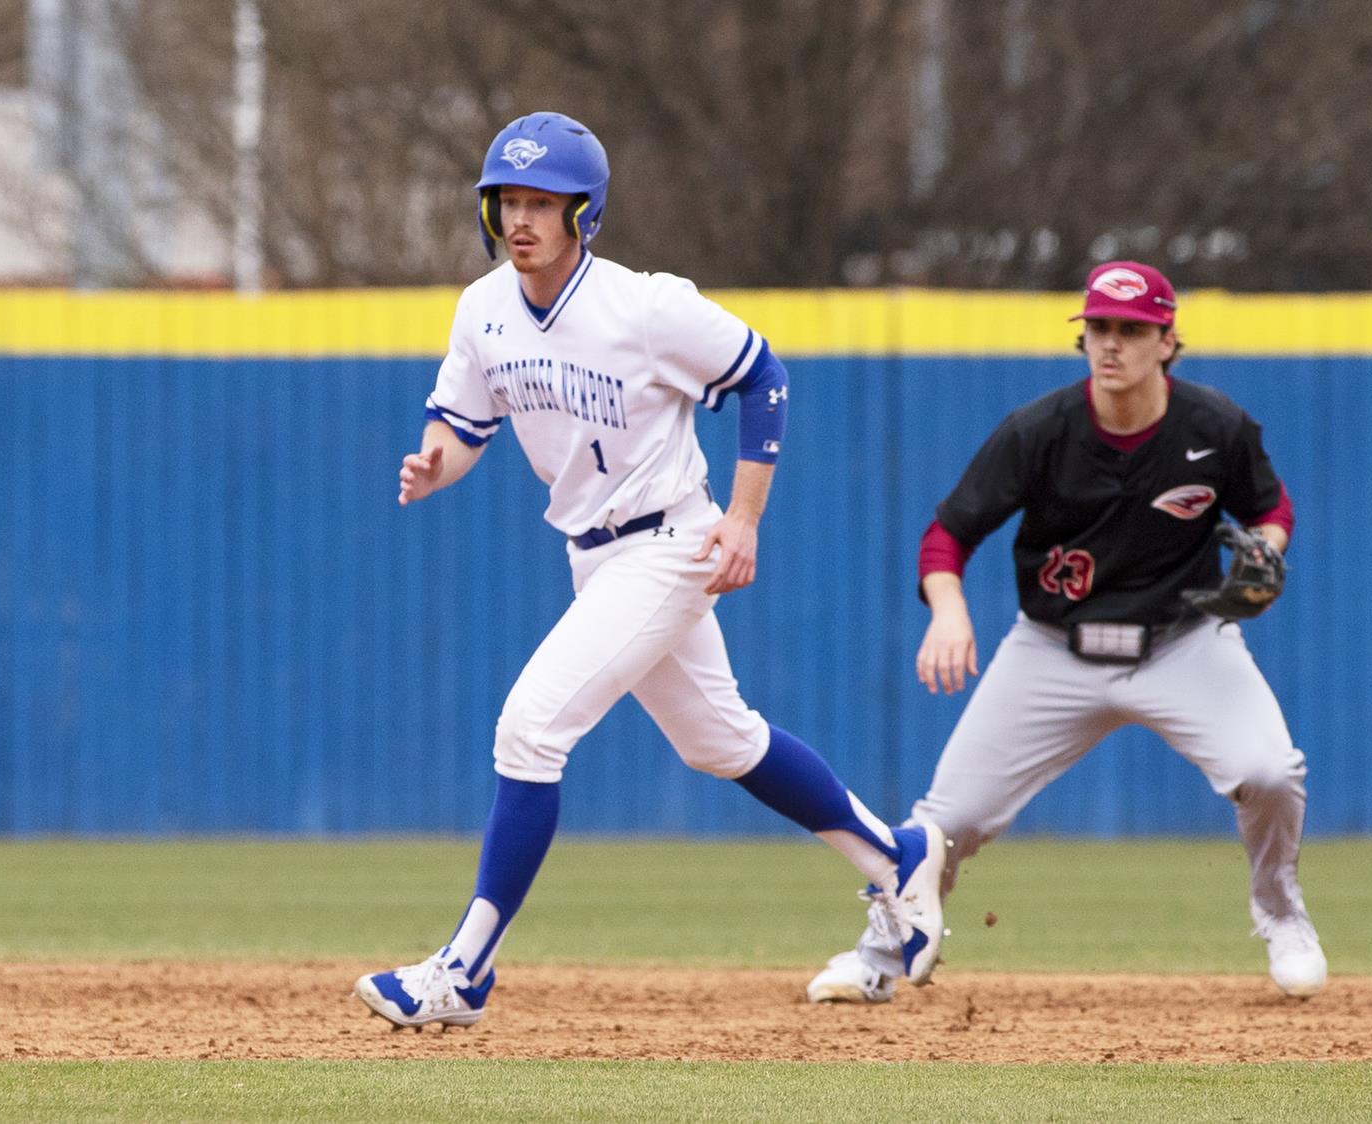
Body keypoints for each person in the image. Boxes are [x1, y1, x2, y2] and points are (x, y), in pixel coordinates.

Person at [354, 111, 949, 1031]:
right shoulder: (483, 309)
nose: (521, 219)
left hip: (670, 544)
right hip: (593, 556)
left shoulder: (644, 306)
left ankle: (463, 973)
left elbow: (765, 376)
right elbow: (464, 424)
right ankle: (897, 857)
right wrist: (437, 460)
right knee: (722, 741)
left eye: (543, 203)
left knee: (530, 730)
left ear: (584, 215)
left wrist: (745, 518)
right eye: (508, 200)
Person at [805, 262, 1327, 1005]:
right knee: (946, 820)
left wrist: (1269, 550)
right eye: (1099, 328)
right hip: (1053, 650)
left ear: (1168, 340)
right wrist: (949, 609)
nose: (1111, 344)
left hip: (1183, 642)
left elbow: (1271, 510)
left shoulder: (1216, 428)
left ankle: (1281, 914)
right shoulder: (1039, 432)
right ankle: (885, 950)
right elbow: (946, 536)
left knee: (1271, 773)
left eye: (1132, 330)